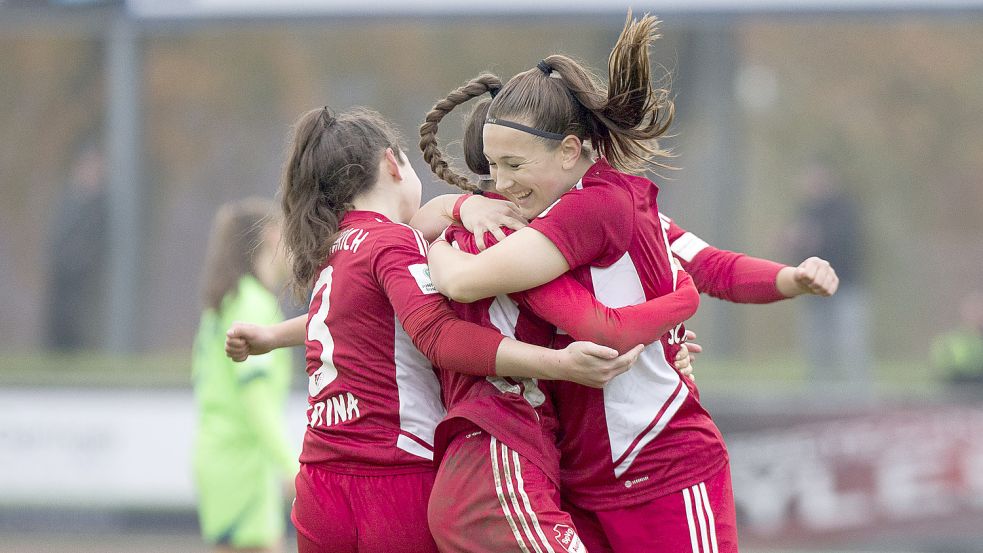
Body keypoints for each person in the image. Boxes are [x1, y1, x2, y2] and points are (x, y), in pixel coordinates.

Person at [418, 65, 839, 553]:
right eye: (492, 169)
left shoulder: (595, 206)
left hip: (661, 466)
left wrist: (790, 279)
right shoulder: (540, 221)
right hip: (582, 480)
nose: (500, 184)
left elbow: (710, 267)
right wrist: (679, 304)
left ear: (568, 150)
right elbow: (617, 319)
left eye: (513, 164)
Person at [264, 106, 642, 553]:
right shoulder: (393, 242)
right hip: (392, 474)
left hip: (319, 480)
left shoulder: (335, 248)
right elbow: (439, 338)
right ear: (392, 163)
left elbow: (349, 323)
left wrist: (270, 337)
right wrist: (558, 363)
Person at [191, 198, 296, 553]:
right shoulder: (253, 304)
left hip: (220, 459)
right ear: (270, 235)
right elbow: (256, 400)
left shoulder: (224, 303)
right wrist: (293, 467)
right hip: (244, 466)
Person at [786, 159, 869, 390]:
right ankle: (819, 391)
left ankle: (858, 391)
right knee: (817, 344)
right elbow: (802, 248)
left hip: (845, 285)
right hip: (813, 288)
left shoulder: (844, 208)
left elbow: (846, 243)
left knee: (850, 342)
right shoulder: (807, 211)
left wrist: (815, 238)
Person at [44, 139, 108, 351]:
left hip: (85, 278)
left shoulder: (101, 205)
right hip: (63, 274)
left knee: (78, 324)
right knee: (60, 322)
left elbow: (97, 242)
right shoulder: (69, 199)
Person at [932, 290, 983, 388]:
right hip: (959, 386)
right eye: (975, 311)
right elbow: (944, 370)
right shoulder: (951, 340)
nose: (979, 315)